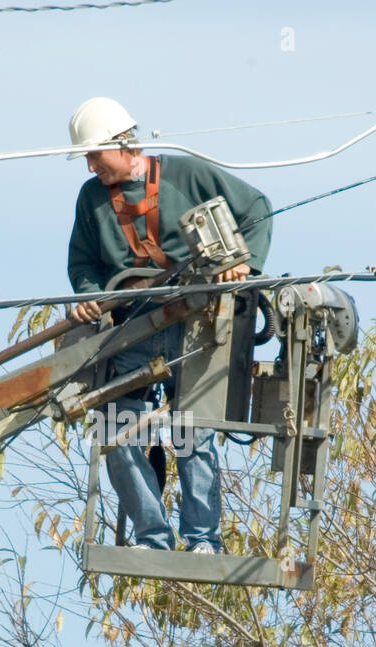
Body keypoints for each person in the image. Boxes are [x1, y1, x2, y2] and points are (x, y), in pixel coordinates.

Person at [66, 97, 272, 553]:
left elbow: (256, 208)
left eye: (93, 155)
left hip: (194, 321)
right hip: (131, 326)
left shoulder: (186, 175)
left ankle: (203, 540)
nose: (89, 166)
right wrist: (87, 298)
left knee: (191, 429)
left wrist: (245, 268)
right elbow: (83, 262)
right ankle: (152, 536)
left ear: (122, 144)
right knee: (118, 431)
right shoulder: (92, 199)